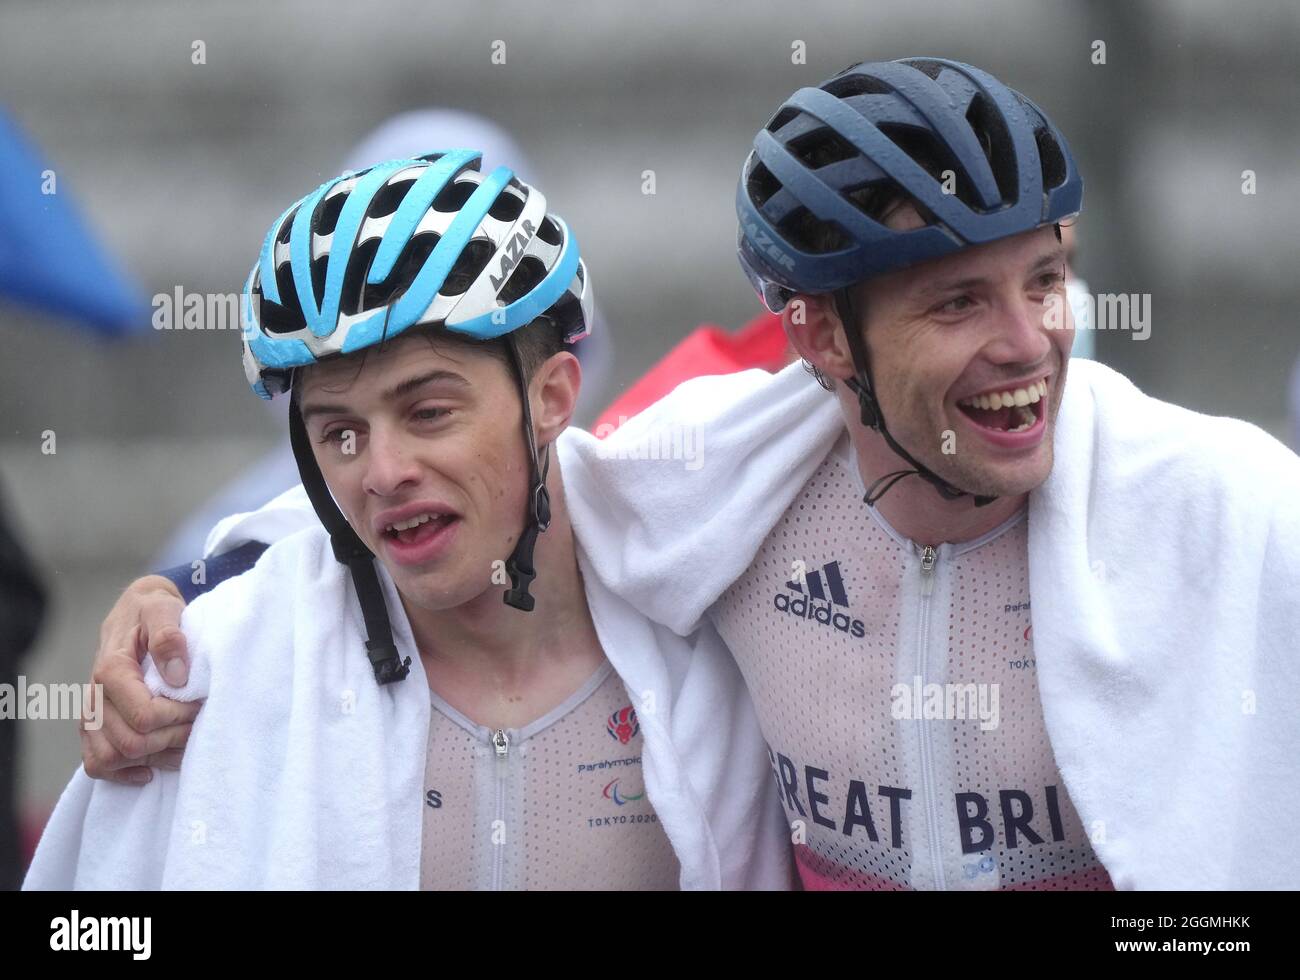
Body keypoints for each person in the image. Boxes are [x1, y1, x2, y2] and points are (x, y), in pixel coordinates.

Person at [78, 58, 1300, 890]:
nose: (1030, 339)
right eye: (957, 301)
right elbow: (481, 482)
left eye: (1045, 279)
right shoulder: (724, 486)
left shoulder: (1222, 511)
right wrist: (189, 582)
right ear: (820, 339)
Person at [24, 150, 791, 889]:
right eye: (340, 433)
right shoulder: (208, 676)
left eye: (428, 412)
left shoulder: (727, 617)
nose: (383, 472)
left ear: (554, 398)